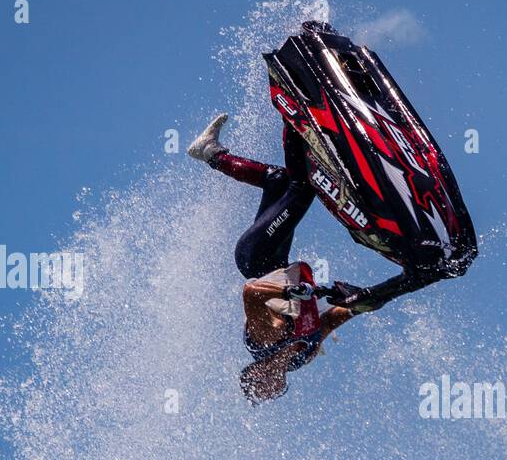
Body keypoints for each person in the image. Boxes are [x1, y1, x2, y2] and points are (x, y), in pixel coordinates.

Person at [187, 113, 444, 401]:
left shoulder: (263, 340)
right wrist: (369, 299)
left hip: (256, 258)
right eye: (272, 395)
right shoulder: (302, 357)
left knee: (303, 187)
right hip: (278, 259)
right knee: (278, 179)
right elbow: (332, 319)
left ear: (255, 375)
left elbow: (250, 292)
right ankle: (210, 152)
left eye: (263, 392)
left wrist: (289, 290)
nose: (273, 393)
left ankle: (294, 111)